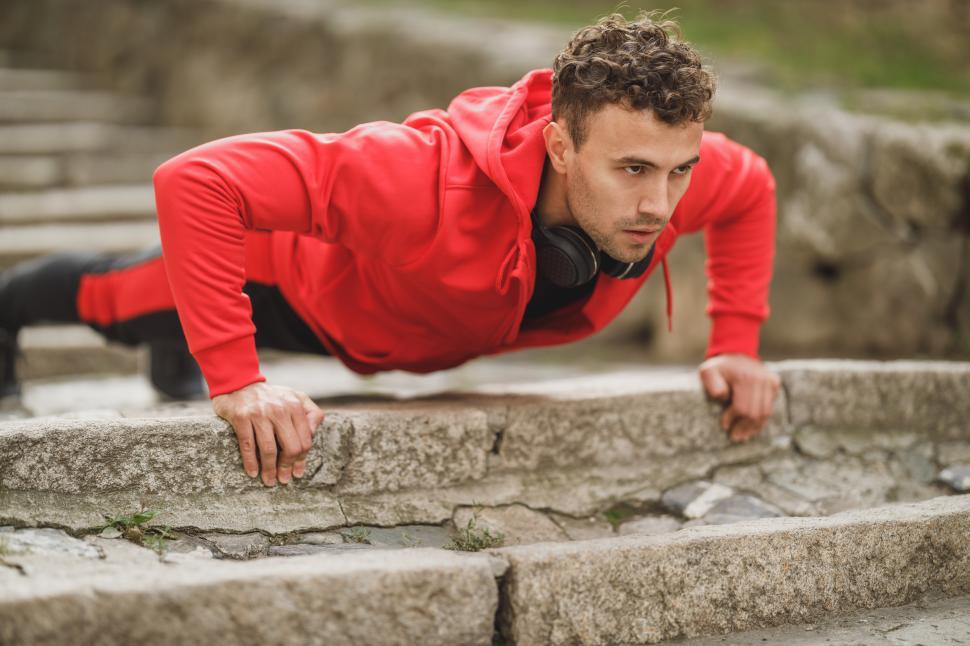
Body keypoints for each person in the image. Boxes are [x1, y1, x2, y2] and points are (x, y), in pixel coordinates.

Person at [0, 11, 781, 487]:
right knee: (116, 297)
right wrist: (237, 379)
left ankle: (178, 350)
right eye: (634, 170)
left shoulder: (673, 175)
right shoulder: (416, 179)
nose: (659, 204)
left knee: (162, 320)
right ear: (559, 145)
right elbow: (196, 180)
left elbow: (750, 190)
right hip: (284, 286)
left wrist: (738, 344)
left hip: (401, 327)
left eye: (679, 172)